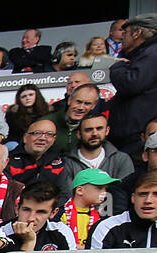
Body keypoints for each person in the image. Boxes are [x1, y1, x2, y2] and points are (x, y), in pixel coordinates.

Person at [62, 113, 134, 213]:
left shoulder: (121, 159)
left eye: (99, 128)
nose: (94, 133)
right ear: (79, 134)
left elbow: (124, 196)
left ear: (107, 130)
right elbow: (66, 197)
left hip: (112, 220)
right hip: (75, 219)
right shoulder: (66, 162)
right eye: (88, 130)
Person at [109, 17, 157, 161]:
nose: (122, 37)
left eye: (125, 32)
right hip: (132, 135)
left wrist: (117, 67)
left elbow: (131, 83)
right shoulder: (145, 53)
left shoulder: (152, 53)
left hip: (136, 137)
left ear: (137, 33)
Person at [5, 179, 77, 250]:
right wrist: (28, 242)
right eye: (26, 210)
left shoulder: (61, 231)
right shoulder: (2, 231)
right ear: (17, 209)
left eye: (41, 212)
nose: (31, 218)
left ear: (53, 213)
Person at [90, 171, 157, 247]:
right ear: (133, 198)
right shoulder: (107, 227)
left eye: (156, 194)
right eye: (142, 194)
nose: (148, 200)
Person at [58, 168, 116, 246]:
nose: (104, 193)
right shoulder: (59, 214)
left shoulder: (102, 216)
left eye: (106, 189)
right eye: (99, 188)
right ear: (79, 190)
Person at [9, 120, 68, 189]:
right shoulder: (9, 161)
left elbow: (64, 193)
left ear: (53, 140)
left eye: (49, 134)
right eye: (37, 133)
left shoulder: (58, 162)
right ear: (25, 137)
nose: (42, 138)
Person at [49, 84, 102, 153]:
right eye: (78, 102)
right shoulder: (47, 122)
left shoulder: (97, 128)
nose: (81, 107)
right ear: (70, 100)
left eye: (87, 104)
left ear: (93, 105)